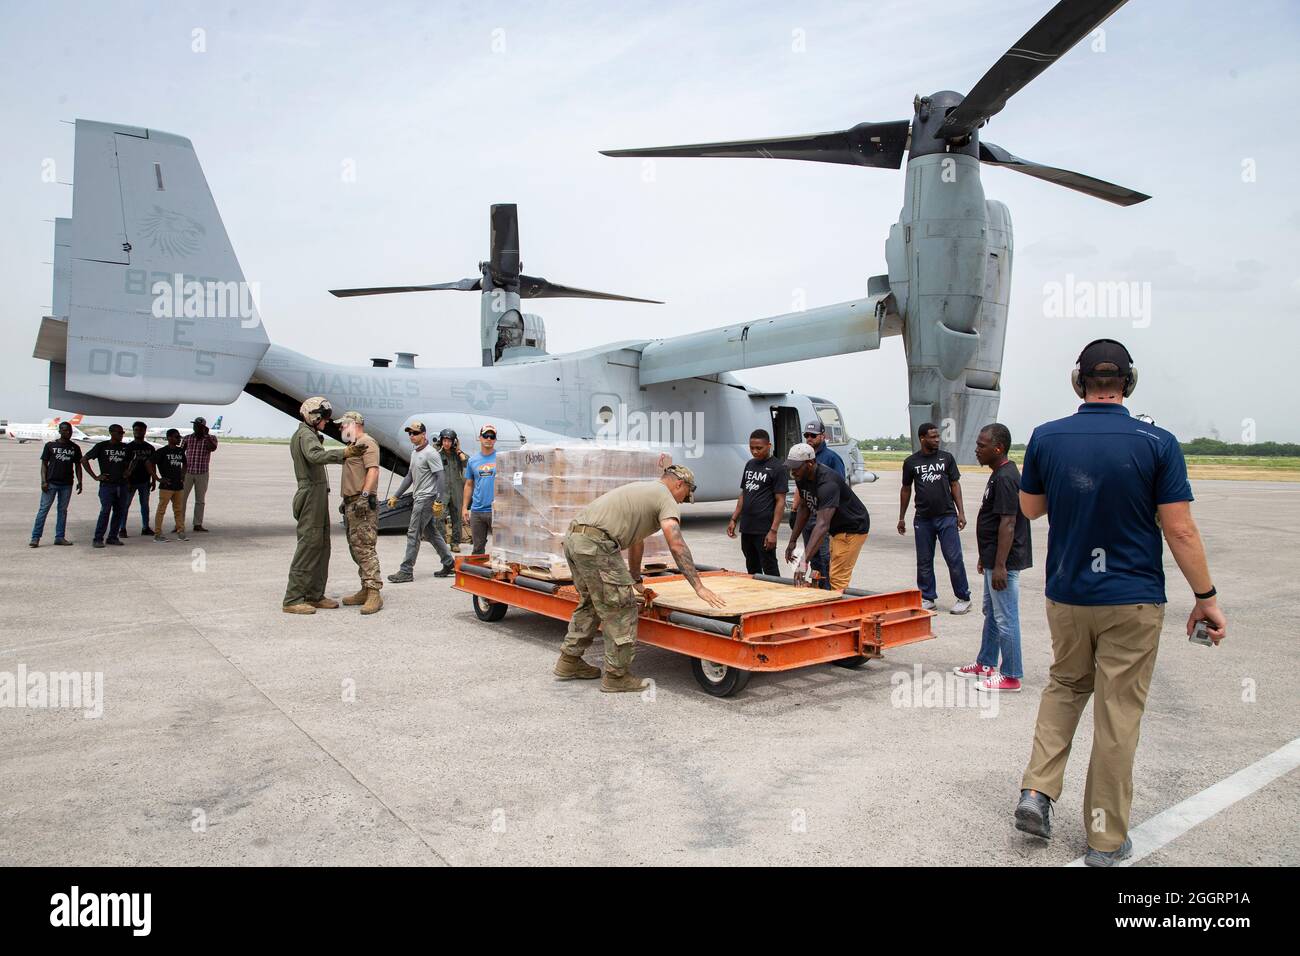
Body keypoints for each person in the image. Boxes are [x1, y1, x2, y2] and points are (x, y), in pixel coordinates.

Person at [1013, 340, 1228, 867]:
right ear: (1128, 382)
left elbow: (1031, 509)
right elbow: (1179, 528)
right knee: (1117, 714)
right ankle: (1105, 840)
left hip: (1067, 595)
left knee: (1065, 686)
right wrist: (1206, 597)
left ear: (1078, 381)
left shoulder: (1046, 436)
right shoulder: (1158, 442)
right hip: (1131, 599)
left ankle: (1037, 792)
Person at [554, 464, 726, 692]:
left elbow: (636, 541)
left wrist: (635, 578)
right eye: (686, 495)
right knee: (621, 609)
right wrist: (698, 586)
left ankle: (569, 662)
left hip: (576, 540)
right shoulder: (665, 497)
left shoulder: (644, 491)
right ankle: (616, 677)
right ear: (679, 484)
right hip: (597, 546)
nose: (683, 501)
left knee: (592, 604)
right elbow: (676, 543)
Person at [953, 423, 1032, 692]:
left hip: (1004, 564)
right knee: (992, 613)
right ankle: (986, 663)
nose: (977, 450)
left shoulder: (1007, 477)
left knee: (1006, 618)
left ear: (998, 448)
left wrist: (999, 565)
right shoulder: (998, 473)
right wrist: (986, 558)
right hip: (993, 560)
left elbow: (1008, 523)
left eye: (981, 445)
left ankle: (1011, 675)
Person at [282, 398, 364, 615]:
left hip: (317, 495)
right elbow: (315, 456)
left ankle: (314, 595)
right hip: (310, 496)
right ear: (313, 415)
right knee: (309, 546)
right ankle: (293, 598)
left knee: (321, 546)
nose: (327, 422)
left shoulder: (311, 435)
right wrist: (344, 454)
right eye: (324, 417)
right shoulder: (305, 436)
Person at [898, 422, 972, 614]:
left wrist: (961, 512)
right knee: (924, 560)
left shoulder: (946, 458)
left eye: (938, 436)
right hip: (923, 519)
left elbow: (955, 485)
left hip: (946, 517)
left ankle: (964, 597)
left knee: (954, 558)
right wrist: (901, 517)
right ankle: (927, 597)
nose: (937, 439)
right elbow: (906, 489)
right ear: (922, 438)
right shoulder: (911, 462)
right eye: (932, 436)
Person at [784, 443, 870, 590]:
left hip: (852, 527)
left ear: (810, 463)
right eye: (791, 467)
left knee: (837, 579)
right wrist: (792, 541)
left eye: (796, 467)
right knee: (831, 573)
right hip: (836, 529)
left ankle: (841, 611)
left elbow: (822, 525)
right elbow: (804, 507)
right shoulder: (801, 477)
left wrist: (804, 562)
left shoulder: (828, 482)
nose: (793, 472)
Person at [388, 420, 455, 583]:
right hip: (419, 497)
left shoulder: (431, 453)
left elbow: (440, 476)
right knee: (431, 532)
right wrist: (396, 495)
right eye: (410, 433)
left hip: (426, 498)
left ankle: (406, 570)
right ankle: (449, 563)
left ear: (423, 435)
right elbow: (410, 476)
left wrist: (439, 499)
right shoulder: (415, 452)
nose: (412, 436)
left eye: (415, 433)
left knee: (413, 533)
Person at [337, 411, 384, 614]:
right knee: (356, 547)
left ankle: (374, 592)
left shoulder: (367, 442)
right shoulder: (352, 446)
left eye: (343, 425)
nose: (341, 428)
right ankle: (365, 588)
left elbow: (373, 470)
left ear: (354, 423)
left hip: (362, 503)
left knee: (365, 547)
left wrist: (364, 496)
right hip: (351, 502)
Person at [791, 420, 844, 589]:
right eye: (806, 435)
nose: (809, 438)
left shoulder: (832, 459)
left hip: (824, 516)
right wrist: (794, 508)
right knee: (813, 556)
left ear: (823, 436)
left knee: (825, 557)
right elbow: (802, 489)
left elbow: (839, 488)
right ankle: (816, 589)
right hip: (809, 515)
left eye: (813, 435)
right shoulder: (800, 458)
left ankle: (827, 591)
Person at [727, 429, 787, 575]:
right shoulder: (750, 465)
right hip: (747, 527)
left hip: (764, 529)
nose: (755, 451)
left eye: (759, 448)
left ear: (769, 445)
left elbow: (780, 501)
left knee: (770, 568)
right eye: (752, 448)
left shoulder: (778, 467)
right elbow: (744, 493)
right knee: (752, 568)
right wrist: (734, 518)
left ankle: (776, 595)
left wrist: (773, 531)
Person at [30, 420, 83, 547]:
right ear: (59, 431)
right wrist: (43, 481)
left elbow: (78, 466)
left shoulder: (75, 447)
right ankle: (35, 537)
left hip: (67, 484)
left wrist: (80, 481)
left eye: (69, 430)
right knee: (43, 510)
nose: (67, 432)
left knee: (62, 511)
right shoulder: (50, 446)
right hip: (51, 483)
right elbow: (44, 464)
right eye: (64, 430)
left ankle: (59, 537)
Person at [82, 424, 132, 548]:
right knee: (105, 511)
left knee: (119, 512)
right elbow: (84, 459)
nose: (121, 435)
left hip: (122, 485)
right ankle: (98, 538)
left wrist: (129, 471)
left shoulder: (125, 448)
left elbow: (133, 460)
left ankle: (113, 537)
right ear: (111, 432)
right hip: (107, 485)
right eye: (119, 432)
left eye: (122, 432)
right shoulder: (102, 446)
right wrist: (95, 476)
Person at [463, 424, 498, 555]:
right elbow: (469, 484)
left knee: (501, 549)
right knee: (478, 548)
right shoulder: (472, 460)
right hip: (477, 511)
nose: (488, 439)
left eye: (492, 436)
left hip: (496, 511)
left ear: (495, 439)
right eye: (486, 436)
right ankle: (478, 573)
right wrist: (464, 508)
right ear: (480, 438)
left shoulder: (501, 458)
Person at [117, 421, 156, 539]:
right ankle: (122, 528)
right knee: (125, 505)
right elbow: (124, 465)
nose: (138, 432)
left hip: (144, 481)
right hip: (130, 481)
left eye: (140, 430)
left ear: (145, 431)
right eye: (136, 430)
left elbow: (153, 464)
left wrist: (154, 479)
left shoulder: (149, 448)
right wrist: (127, 481)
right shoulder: (128, 447)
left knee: (145, 505)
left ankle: (145, 527)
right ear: (133, 431)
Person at [148, 429, 188, 541]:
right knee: (161, 510)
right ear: (169, 438)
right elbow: (149, 463)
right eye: (176, 437)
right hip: (166, 486)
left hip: (178, 485)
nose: (179, 439)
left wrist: (183, 475)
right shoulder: (162, 451)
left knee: (178, 509)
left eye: (179, 437)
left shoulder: (180, 451)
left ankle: (181, 531)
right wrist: (157, 478)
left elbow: (185, 464)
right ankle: (158, 533)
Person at [180, 416, 218, 533]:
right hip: (188, 473)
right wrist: (181, 471)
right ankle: (179, 524)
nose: (196, 427)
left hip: (202, 472)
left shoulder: (211, 438)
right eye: (195, 425)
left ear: (204, 428)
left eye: (199, 426)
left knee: (200, 500)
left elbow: (213, 448)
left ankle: (197, 524)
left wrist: (206, 436)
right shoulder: (187, 438)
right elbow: (181, 453)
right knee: (181, 499)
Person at [438, 428, 469, 551]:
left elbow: (467, 462)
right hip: (442, 490)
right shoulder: (437, 455)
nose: (446, 443)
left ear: (454, 442)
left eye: (449, 441)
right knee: (439, 517)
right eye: (444, 440)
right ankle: (440, 543)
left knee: (456, 516)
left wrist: (459, 450)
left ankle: (455, 543)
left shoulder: (458, 455)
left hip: (456, 490)